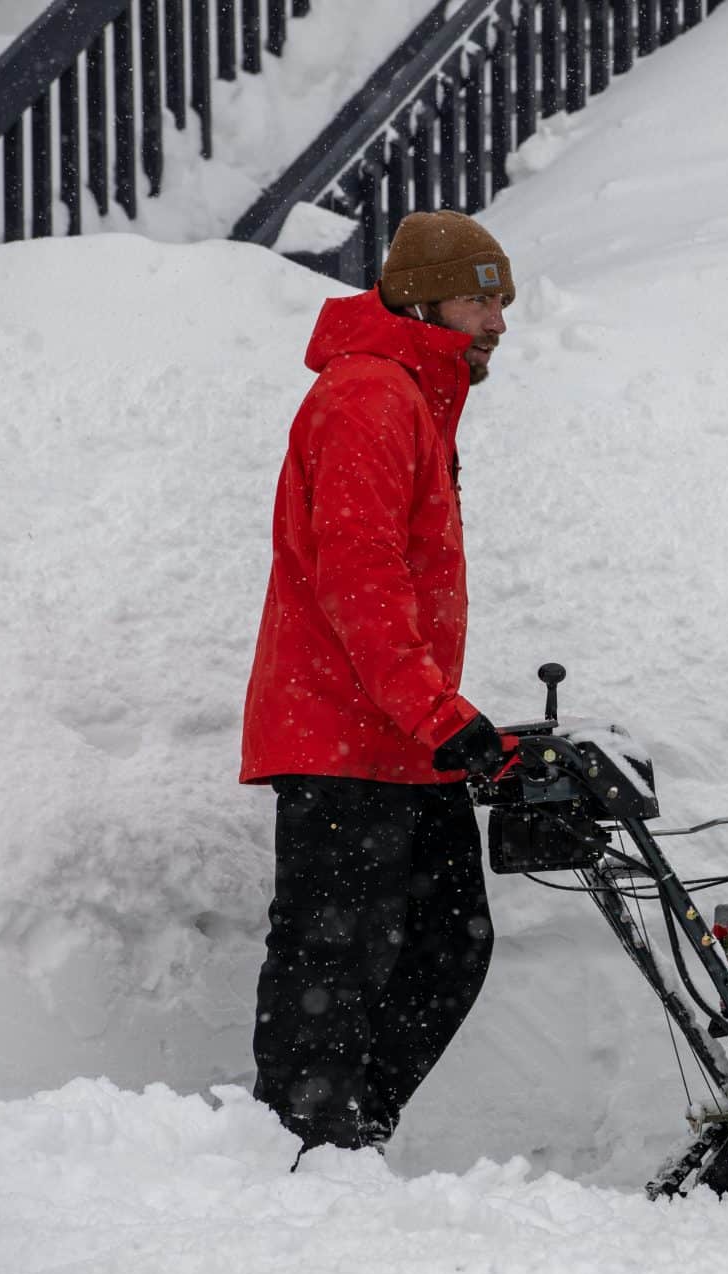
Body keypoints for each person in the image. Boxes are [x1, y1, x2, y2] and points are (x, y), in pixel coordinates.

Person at [240, 210, 522, 1156]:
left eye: (501, 301)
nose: (497, 322)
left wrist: (458, 729)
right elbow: (361, 577)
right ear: (423, 296)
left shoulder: (416, 397)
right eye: (482, 298)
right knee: (335, 956)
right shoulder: (370, 396)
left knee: (450, 944)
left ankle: (347, 1131)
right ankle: (303, 1143)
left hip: (399, 737)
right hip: (341, 737)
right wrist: (439, 713)